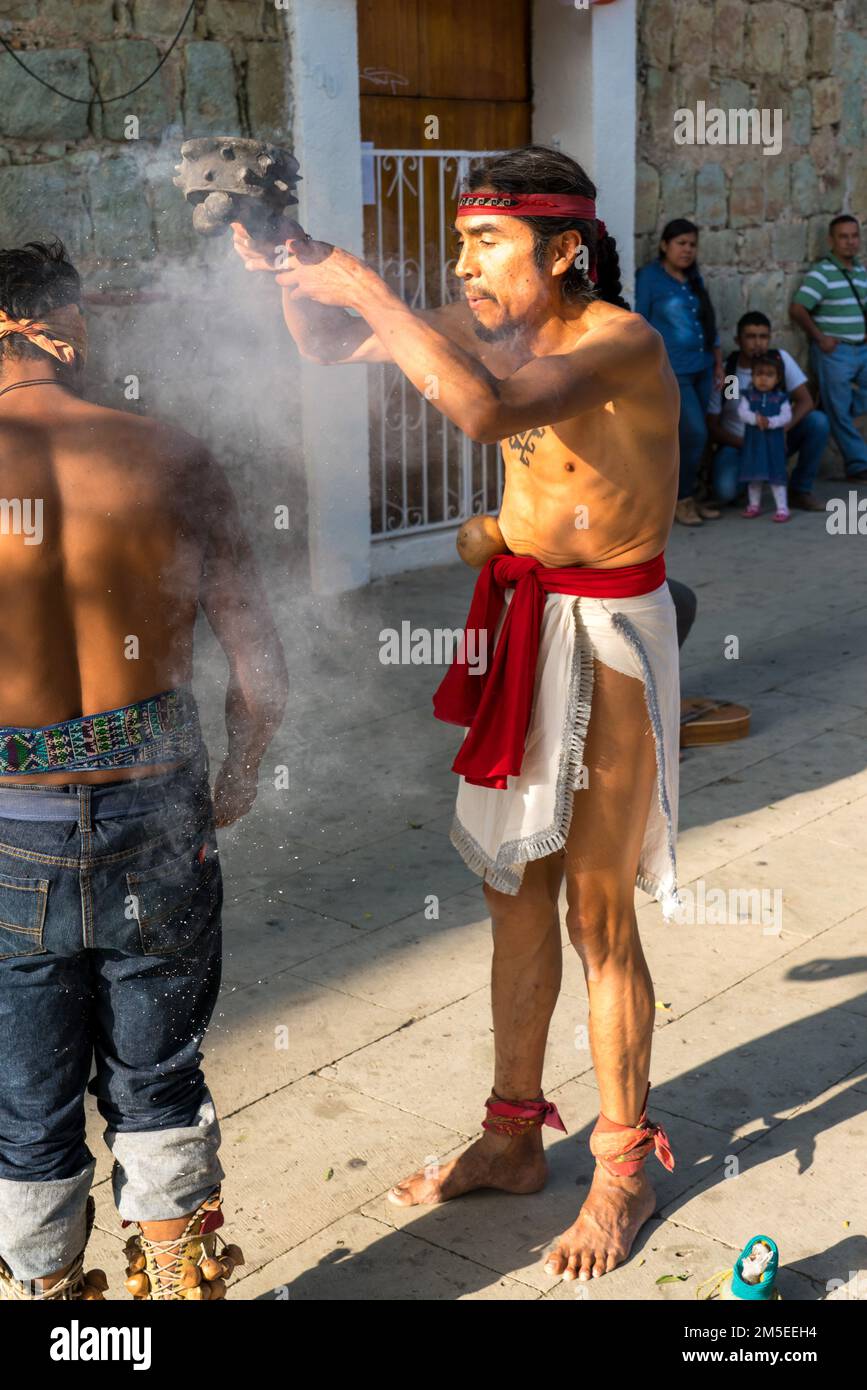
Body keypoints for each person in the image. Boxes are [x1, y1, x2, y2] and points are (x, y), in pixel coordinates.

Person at [234, 144, 681, 1283]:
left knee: (596, 911)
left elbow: (479, 414)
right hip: (528, 624)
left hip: (610, 639)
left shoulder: (615, 339)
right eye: (459, 244)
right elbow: (335, 342)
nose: (464, 265)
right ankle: (514, 1134)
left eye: (487, 244)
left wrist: (367, 282)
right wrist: (296, 268)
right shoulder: (492, 324)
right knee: (509, 895)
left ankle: (622, 1167)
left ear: (566, 249)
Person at [0, 241, 288, 1300]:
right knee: (157, 1070)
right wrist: (244, 772)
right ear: (55, 321)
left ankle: (52, 1299)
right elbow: (260, 671)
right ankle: (177, 1279)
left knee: (26, 1096)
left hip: (8, 820)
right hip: (159, 800)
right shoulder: (170, 452)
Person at [635, 218, 724, 527]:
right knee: (693, 433)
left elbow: (708, 321)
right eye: (681, 244)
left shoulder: (693, 278)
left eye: (692, 245)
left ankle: (691, 495)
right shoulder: (649, 278)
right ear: (664, 246)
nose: (687, 250)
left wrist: (718, 361)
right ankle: (681, 499)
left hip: (702, 369)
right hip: (673, 373)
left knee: (699, 435)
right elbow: (639, 321)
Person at [708, 311, 828, 510]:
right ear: (738, 340)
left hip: (777, 439)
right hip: (741, 446)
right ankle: (755, 478)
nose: (758, 343)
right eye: (751, 337)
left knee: (818, 423)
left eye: (763, 337)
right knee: (725, 490)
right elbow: (713, 424)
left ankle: (800, 490)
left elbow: (805, 401)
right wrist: (745, 443)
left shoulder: (779, 362)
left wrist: (781, 430)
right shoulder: (730, 374)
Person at [790, 214, 867, 481]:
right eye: (843, 237)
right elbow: (799, 307)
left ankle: (834, 407)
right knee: (839, 410)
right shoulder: (822, 273)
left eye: (854, 236)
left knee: (841, 407)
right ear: (831, 240)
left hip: (861, 350)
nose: (850, 242)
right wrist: (819, 337)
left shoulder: (860, 272)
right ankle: (859, 464)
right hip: (836, 353)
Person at [736, 351, 792, 521]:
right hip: (754, 444)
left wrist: (771, 422)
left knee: (776, 475)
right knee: (754, 475)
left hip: (773, 444)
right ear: (752, 376)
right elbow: (742, 413)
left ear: (778, 378)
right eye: (759, 374)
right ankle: (753, 505)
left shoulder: (781, 398)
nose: (763, 379)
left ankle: (782, 508)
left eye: (769, 375)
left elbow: (786, 416)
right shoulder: (748, 396)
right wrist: (755, 419)